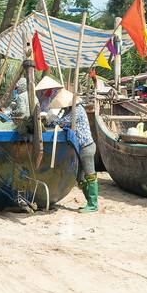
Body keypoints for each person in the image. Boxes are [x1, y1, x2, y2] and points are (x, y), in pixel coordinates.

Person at [36, 75, 100, 213]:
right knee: (80, 177)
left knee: (90, 174)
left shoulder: (77, 109)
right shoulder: (69, 109)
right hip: (81, 147)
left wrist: (49, 120)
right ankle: (90, 201)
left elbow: (63, 122)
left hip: (86, 147)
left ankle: (93, 204)